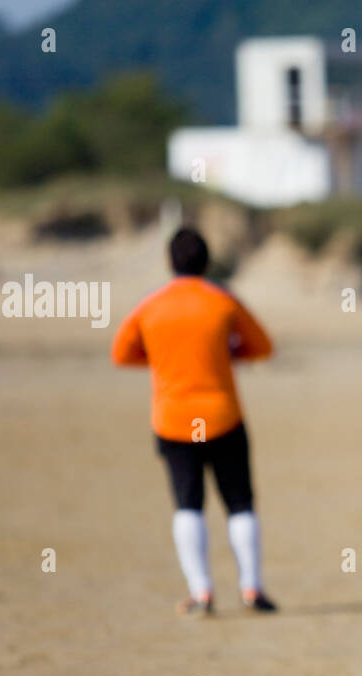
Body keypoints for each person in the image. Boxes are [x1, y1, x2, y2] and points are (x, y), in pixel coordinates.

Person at [111, 228, 277, 617]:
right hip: (223, 415)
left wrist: (160, 362)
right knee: (240, 504)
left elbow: (121, 352)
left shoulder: (151, 305)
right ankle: (251, 587)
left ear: (170, 262)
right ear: (207, 261)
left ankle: (201, 592)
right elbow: (263, 346)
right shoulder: (223, 302)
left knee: (188, 506)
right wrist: (227, 355)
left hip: (173, 419)